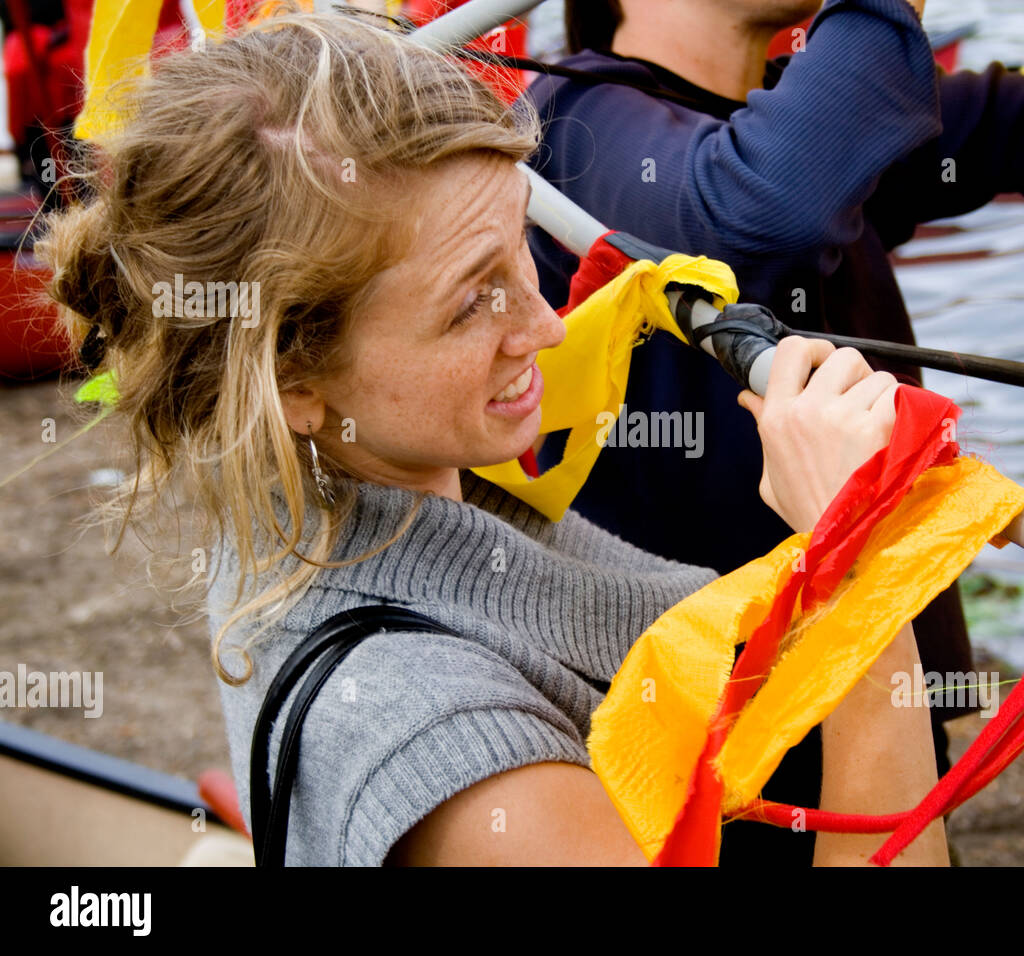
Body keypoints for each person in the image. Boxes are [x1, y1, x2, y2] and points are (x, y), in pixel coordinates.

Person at [37, 9, 947, 866]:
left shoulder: (306, 482)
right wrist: (861, 583)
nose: (548, 326)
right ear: (294, 381)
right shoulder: (462, 762)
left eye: (523, 249)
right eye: (474, 299)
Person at [525, 0, 1024, 864]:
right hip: (702, 734)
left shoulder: (791, 112)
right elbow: (760, 217)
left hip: (873, 692)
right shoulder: (570, 125)